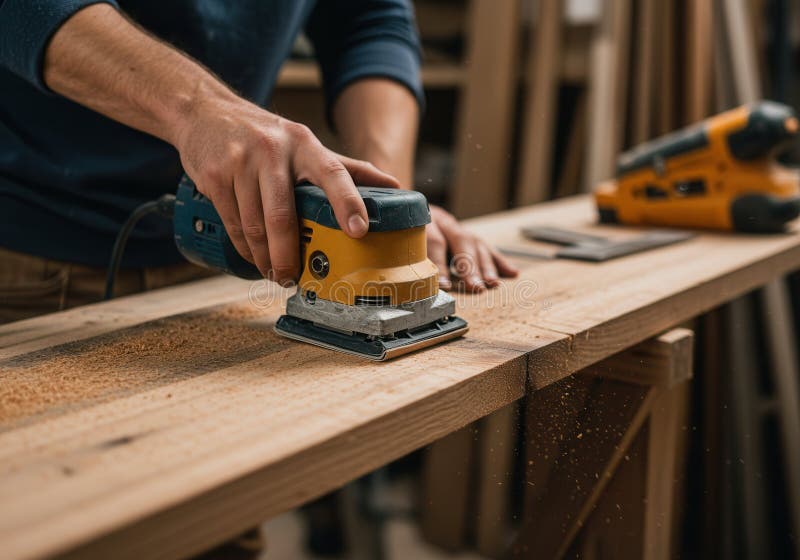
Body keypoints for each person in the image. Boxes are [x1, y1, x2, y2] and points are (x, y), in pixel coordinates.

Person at [0, 0, 518, 325]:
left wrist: (380, 212)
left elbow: (369, 19)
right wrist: (198, 110)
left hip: (227, 261)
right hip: (29, 258)